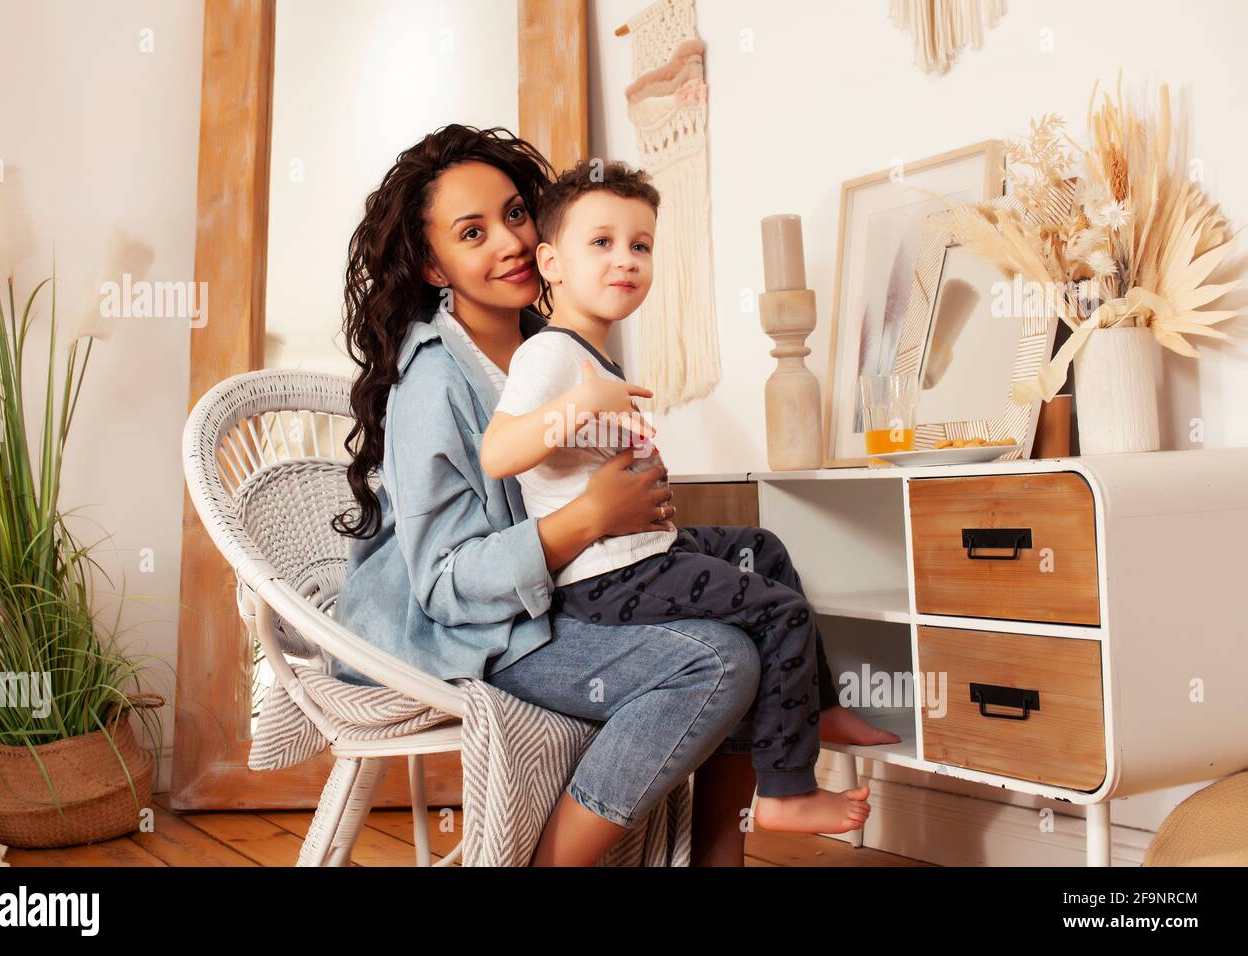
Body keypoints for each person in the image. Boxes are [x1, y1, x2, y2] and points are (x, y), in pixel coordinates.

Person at [332, 124, 764, 866]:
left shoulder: (555, 344)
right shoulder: (432, 384)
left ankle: (717, 860)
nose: (508, 241)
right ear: (435, 265)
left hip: (574, 587)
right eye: (473, 232)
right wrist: (592, 517)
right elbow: (444, 585)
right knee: (719, 659)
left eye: (515, 214)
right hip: (482, 629)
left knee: (757, 576)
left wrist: (636, 517)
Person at [479, 159, 902, 835]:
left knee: (760, 550)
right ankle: (786, 792)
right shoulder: (553, 357)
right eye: (602, 242)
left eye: (640, 245)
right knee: (781, 614)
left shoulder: (592, 353)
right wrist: (584, 400)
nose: (626, 259)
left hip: (644, 553)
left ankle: (816, 707)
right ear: (551, 264)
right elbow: (498, 453)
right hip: (609, 576)